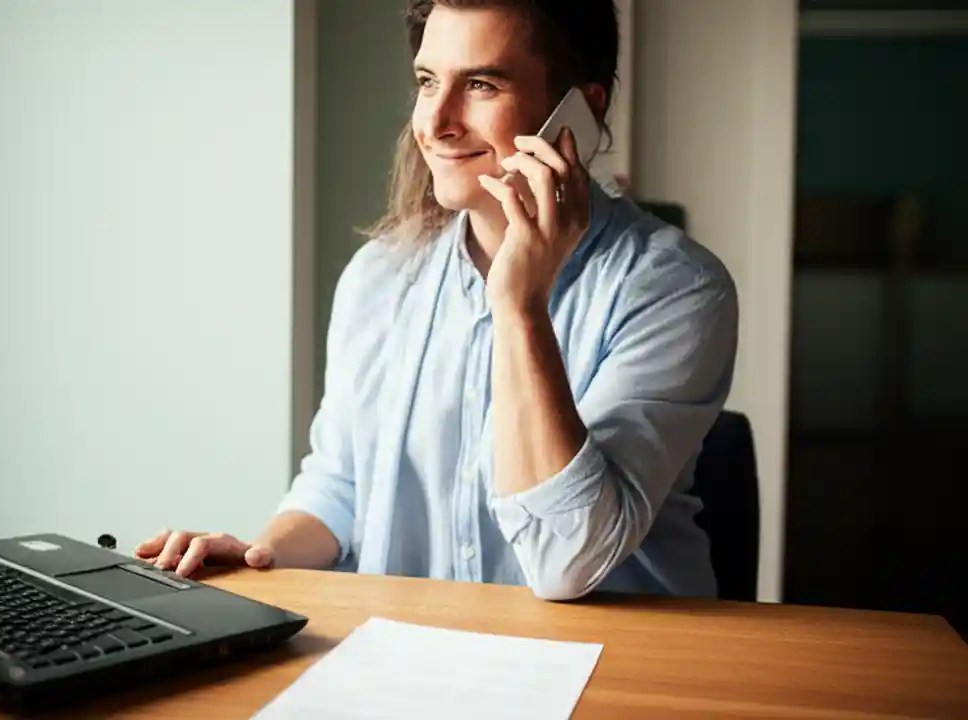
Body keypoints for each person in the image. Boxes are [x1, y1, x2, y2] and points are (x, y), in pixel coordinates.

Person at [135, 0, 737, 600]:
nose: (437, 122)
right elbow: (342, 485)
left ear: (581, 108)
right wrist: (258, 556)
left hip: (625, 667)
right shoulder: (380, 277)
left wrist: (519, 306)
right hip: (413, 657)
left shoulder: (675, 288)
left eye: (480, 84)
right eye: (428, 82)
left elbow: (567, 560)